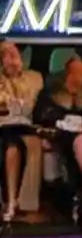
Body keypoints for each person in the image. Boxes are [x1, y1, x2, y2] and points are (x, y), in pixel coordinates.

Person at [34, 55, 82, 220]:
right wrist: (62, 122)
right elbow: (42, 116)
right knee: (47, 146)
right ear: (66, 73)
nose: (79, 78)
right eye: (76, 73)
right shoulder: (49, 95)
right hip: (60, 137)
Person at [0, 39, 44, 222]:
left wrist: (17, 82)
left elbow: (30, 103)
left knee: (17, 144)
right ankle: (11, 202)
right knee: (11, 146)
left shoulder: (34, 78)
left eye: (13, 54)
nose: (10, 59)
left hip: (24, 125)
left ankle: (14, 203)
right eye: (5, 55)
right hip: (3, 125)